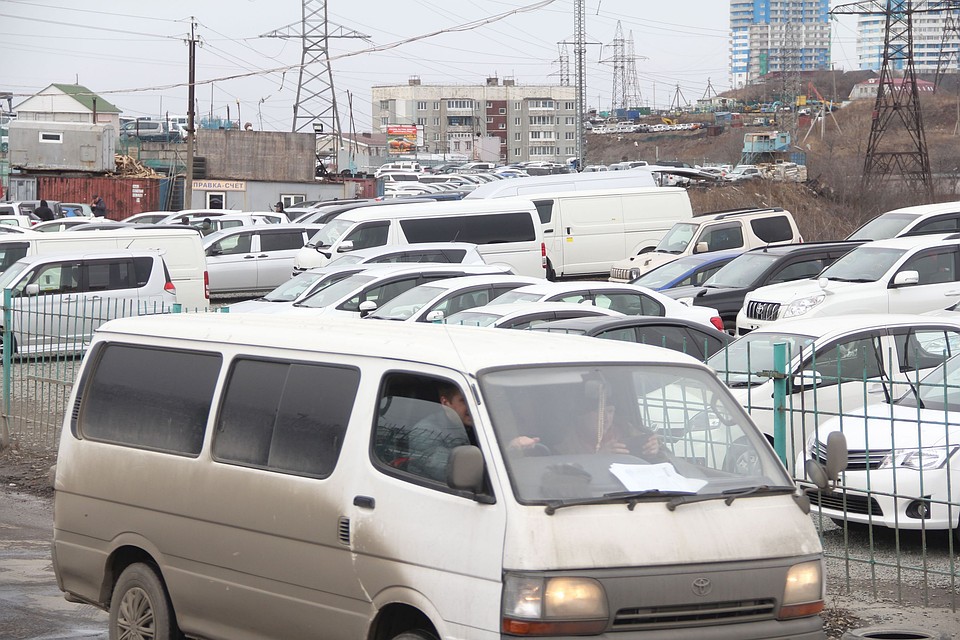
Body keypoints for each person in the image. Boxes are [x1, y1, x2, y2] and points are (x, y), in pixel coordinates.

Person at [405, 383, 473, 482]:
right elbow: (454, 473)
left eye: (474, 401)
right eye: (464, 401)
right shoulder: (425, 431)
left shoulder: (478, 426)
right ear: (445, 402)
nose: (472, 406)